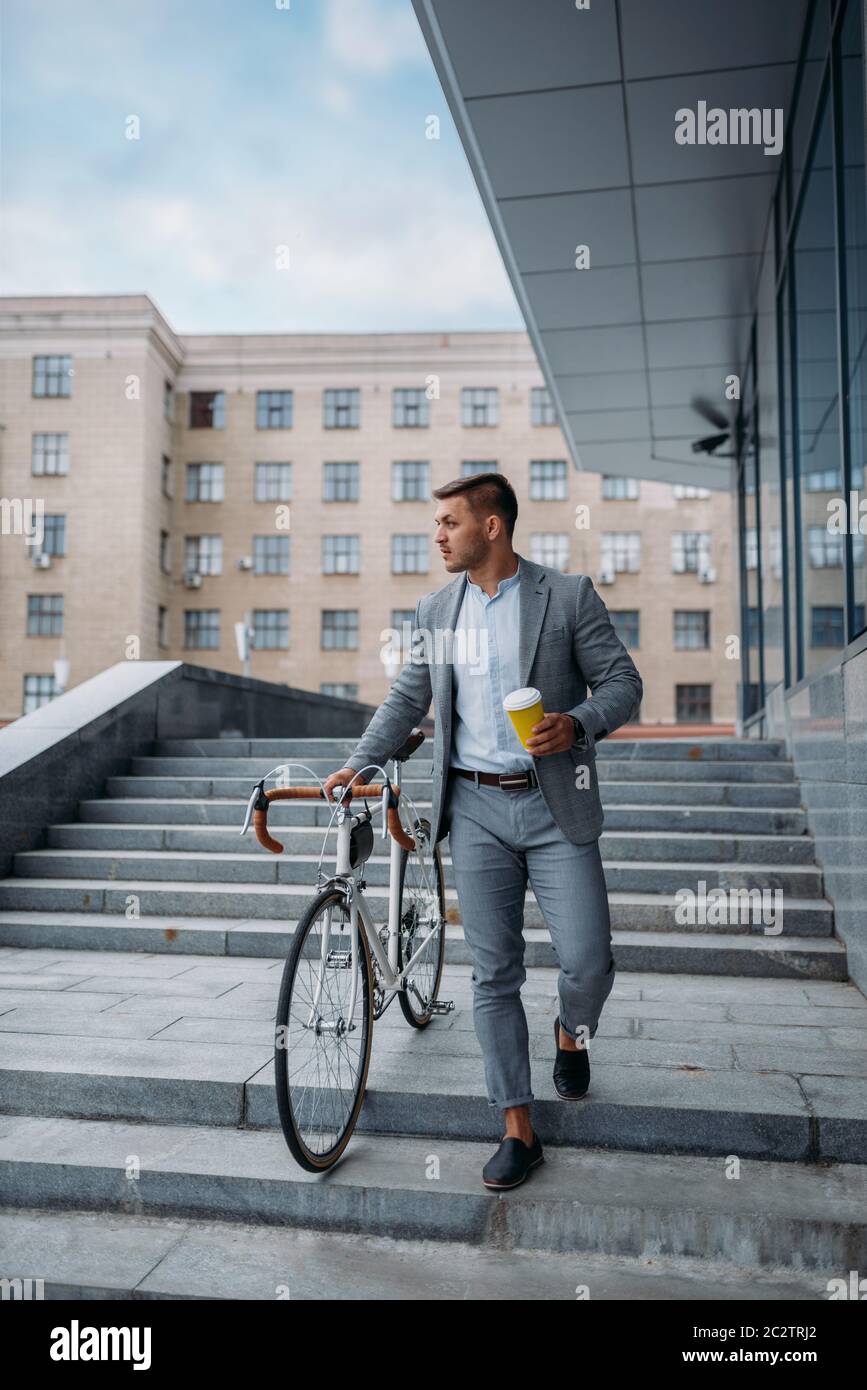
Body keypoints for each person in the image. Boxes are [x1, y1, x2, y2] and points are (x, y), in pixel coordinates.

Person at [324, 472, 643, 1190]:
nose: (436, 535)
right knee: (493, 974)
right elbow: (411, 693)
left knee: (589, 958)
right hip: (473, 810)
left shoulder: (566, 595)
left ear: (490, 526)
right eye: (435, 524)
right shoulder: (436, 608)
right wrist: (357, 761)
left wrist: (577, 722)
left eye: (447, 523)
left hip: (554, 804)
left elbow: (622, 684)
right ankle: (516, 1127)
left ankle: (569, 1032)